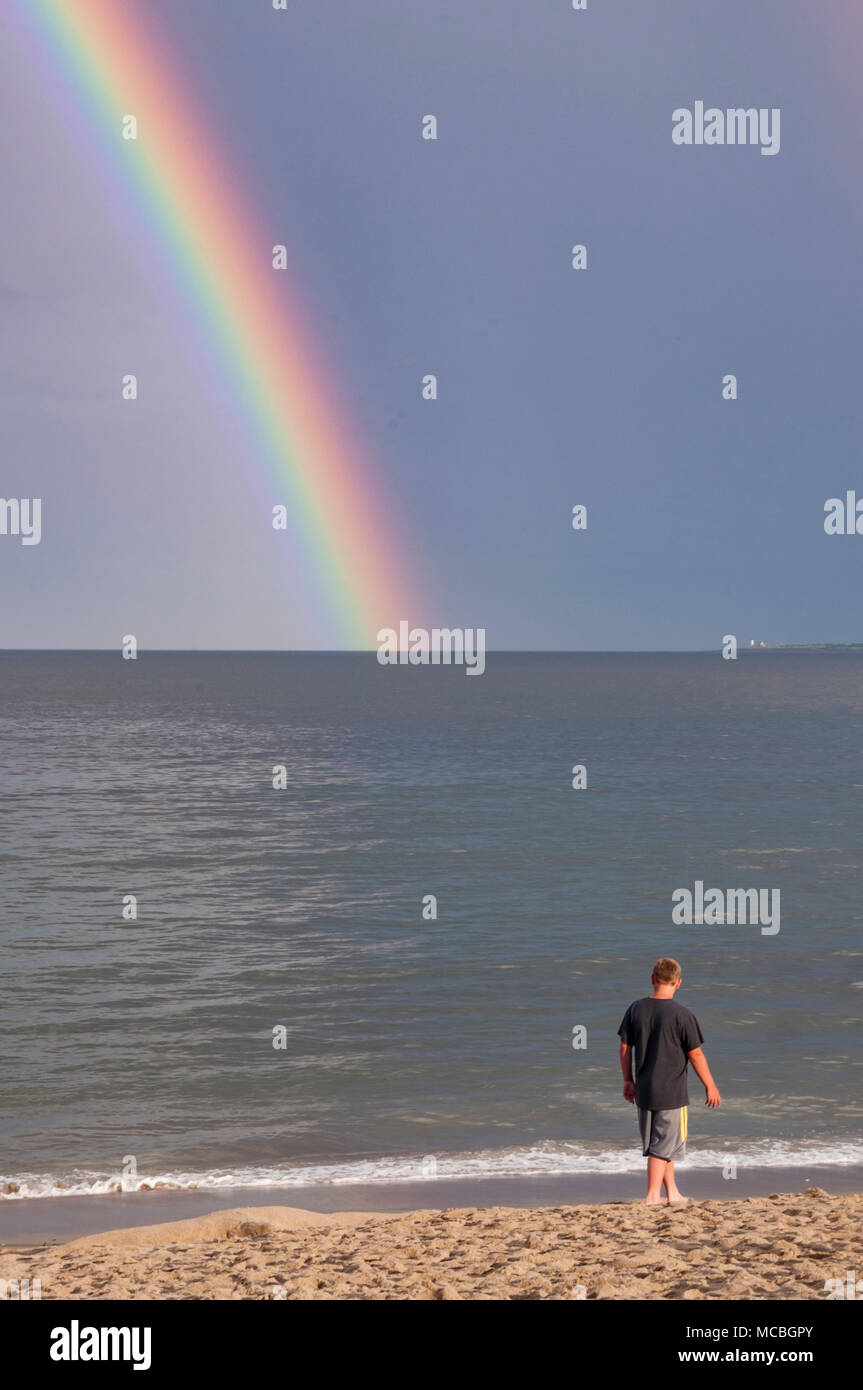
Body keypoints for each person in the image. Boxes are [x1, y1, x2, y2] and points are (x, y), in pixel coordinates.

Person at [618, 958, 721, 1205]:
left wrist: (627, 1080)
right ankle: (653, 1196)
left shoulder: (636, 1009)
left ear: (652, 979)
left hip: (644, 1089)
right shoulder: (682, 1015)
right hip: (671, 1093)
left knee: (665, 1144)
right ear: (679, 983)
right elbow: (695, 1054)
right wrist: (710, 1085)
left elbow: (624, 1047)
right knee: (662, 1146)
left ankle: (672, 1192)